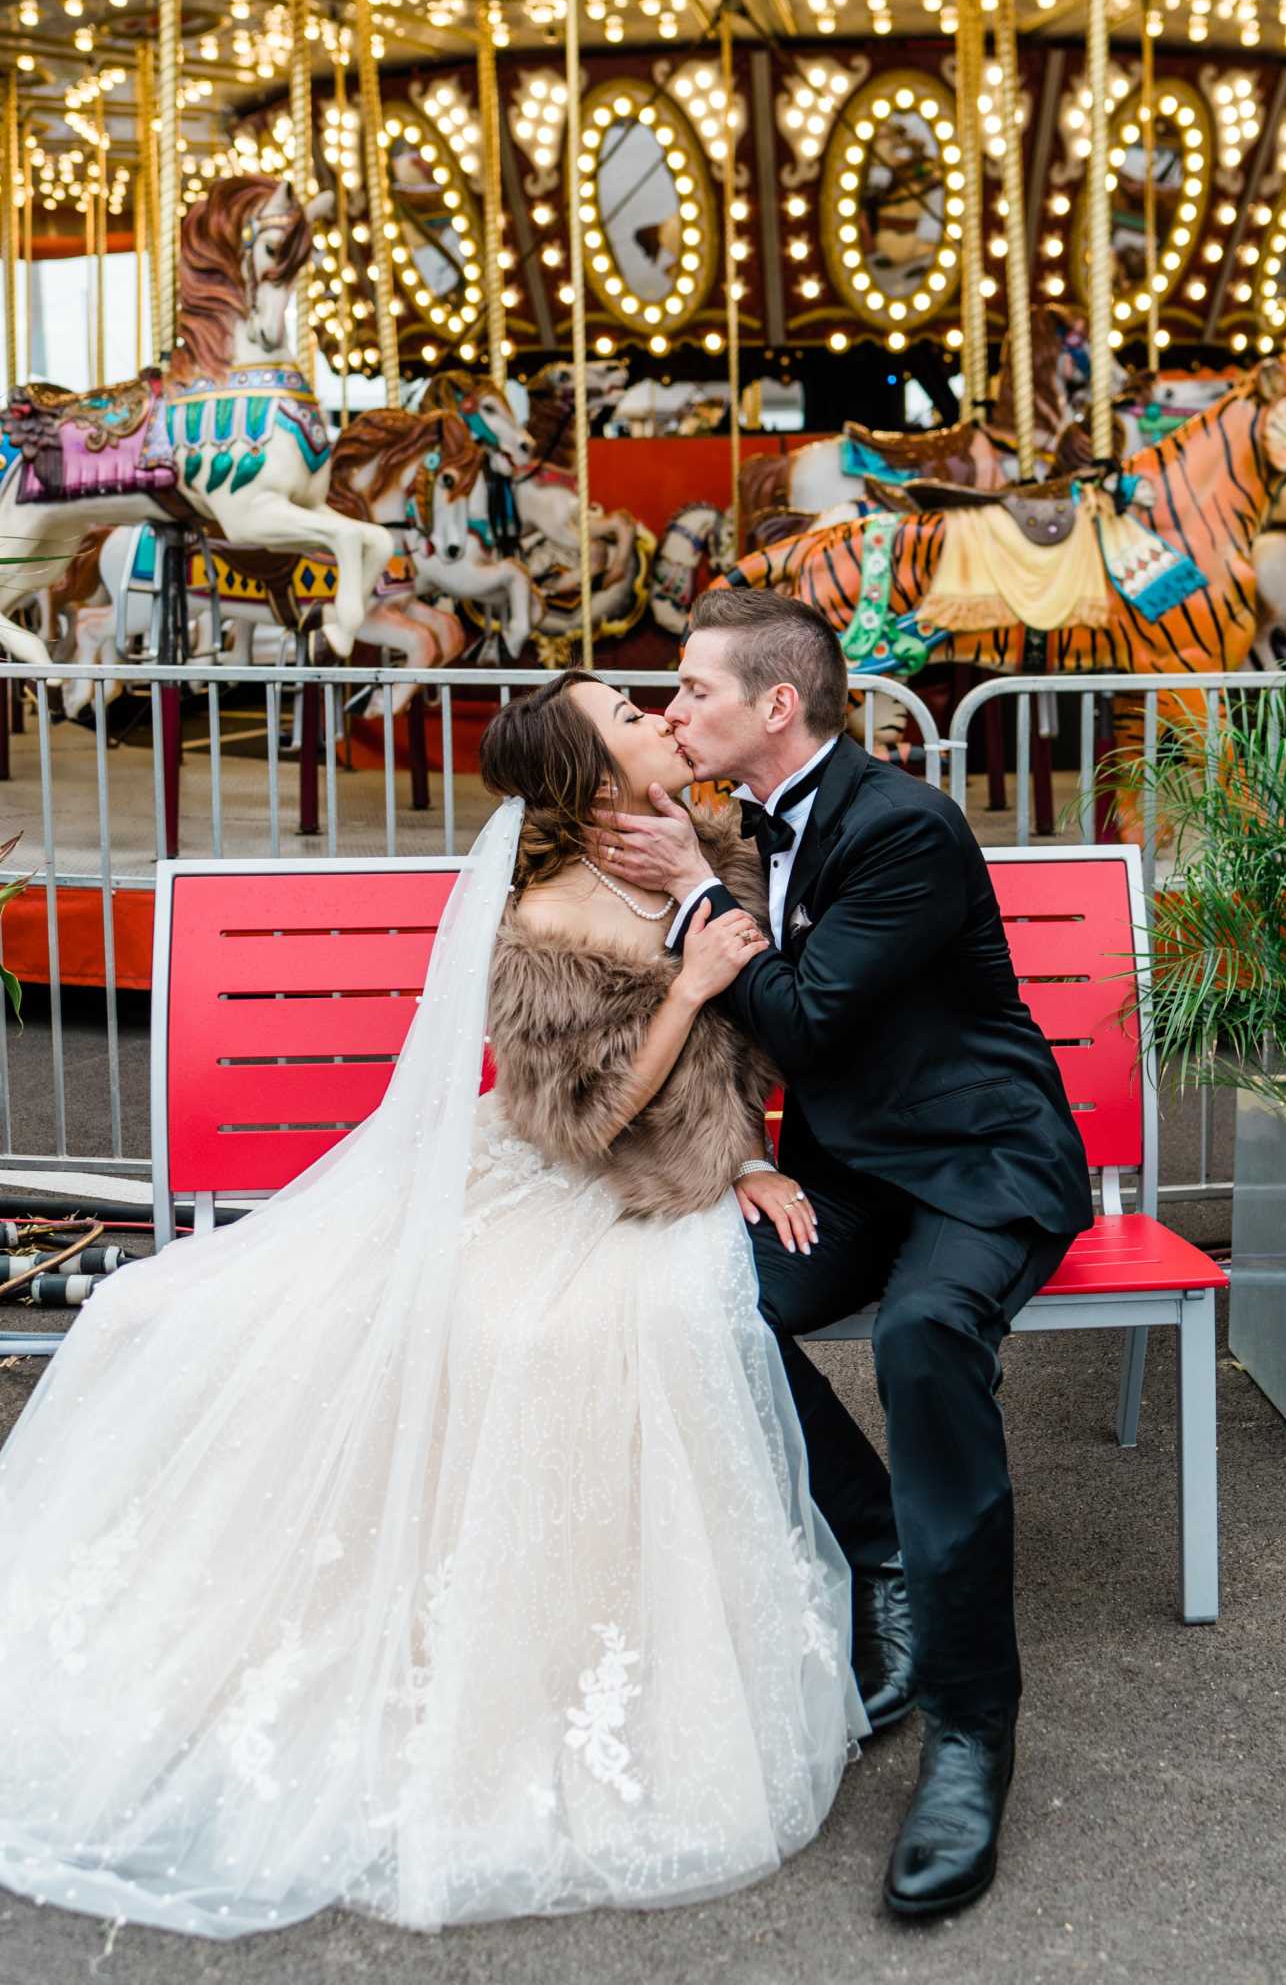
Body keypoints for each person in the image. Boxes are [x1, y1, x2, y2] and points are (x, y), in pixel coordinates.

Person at [0, 671, 865, 1941]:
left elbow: (760, 1037)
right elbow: (581, 1123)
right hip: (559, 1170)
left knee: (631, 1324)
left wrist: (740, 1149)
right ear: (591, 784)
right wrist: (686, 984)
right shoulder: (550, 924)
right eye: (631, 719)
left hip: (674, 1174)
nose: (662, 718)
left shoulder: (712, 840)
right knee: (497, 1330)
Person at [594, 585, 1095, 1920]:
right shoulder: (737, 824)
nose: (670, 708)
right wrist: (747, 1163)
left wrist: (699, 895)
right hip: (848, 1172)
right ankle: (885, 1557)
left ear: (777, 704)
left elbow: (805, 1018)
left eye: (692, 689)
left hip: (981, 1160)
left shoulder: (904, 828)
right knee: (711, 1301)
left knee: (929, 1336)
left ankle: (971, 1726)